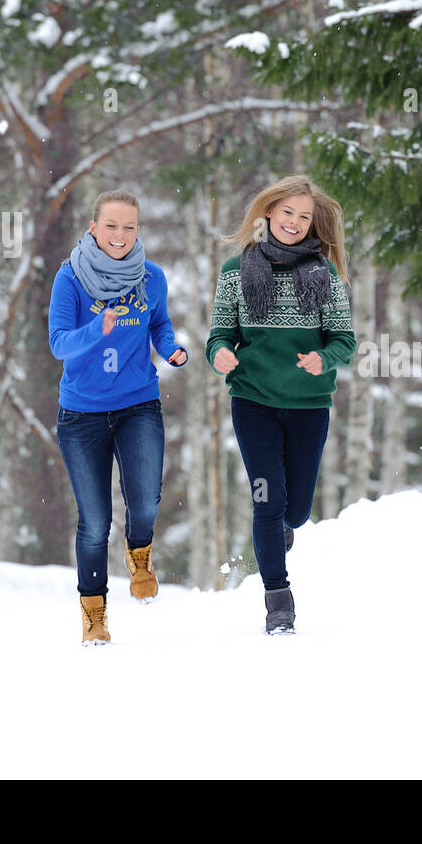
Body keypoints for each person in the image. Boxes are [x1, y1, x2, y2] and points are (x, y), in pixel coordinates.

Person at [205, 175, 355, 635]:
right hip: (252, 400)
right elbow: (219, 336)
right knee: (266, 501)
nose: (294, 222)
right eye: (287, 212)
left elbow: (344, 341)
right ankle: (278, 601)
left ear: (313, 223)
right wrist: (220, 355)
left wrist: (322, 359)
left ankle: (283, 530)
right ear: (268, 212)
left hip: (309, 404)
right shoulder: (235, 270)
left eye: (304, 216)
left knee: (295, 510)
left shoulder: (323, 274)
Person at [48, 189, 188, 646]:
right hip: (82, 414)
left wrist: (170, 349)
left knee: (145, 500)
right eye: (111, 225)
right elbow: (59, 344)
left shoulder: (151, 278)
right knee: (94, 522)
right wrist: (97, 328)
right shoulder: (70, 279)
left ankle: (139, 554)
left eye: (129, 227)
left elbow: (159, 325)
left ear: (138, 230)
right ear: (93, 227)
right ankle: (95, 615)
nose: (120, 235)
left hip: (137, 403)